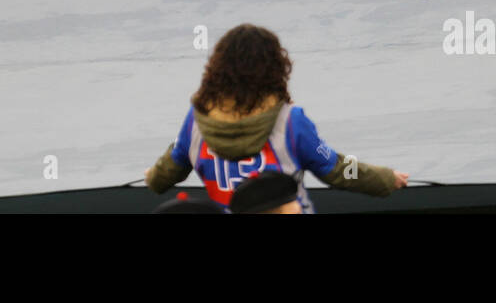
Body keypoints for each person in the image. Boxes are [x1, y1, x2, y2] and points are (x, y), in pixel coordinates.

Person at [143, 24, 408, 212]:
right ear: (275, 68)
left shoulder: (197, 118)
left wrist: (153, 177)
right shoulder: (290, 121)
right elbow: (337, 168)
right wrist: (385, 177)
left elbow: (172, 164)